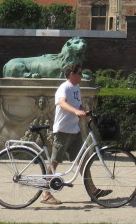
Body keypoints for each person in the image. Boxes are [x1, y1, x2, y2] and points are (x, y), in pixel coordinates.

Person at [41, 63, 88, 205]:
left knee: (82, 160)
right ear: (72, 74)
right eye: (79, 73)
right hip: (63, 130)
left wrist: (84, 111)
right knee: (55, 161)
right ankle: (45, 194)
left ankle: (92, 190)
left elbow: (77, 105)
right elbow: (62, 103)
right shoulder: (64, 87)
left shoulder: (76, 88)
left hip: (74, 129)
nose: (81, 75)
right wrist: (75, 111)